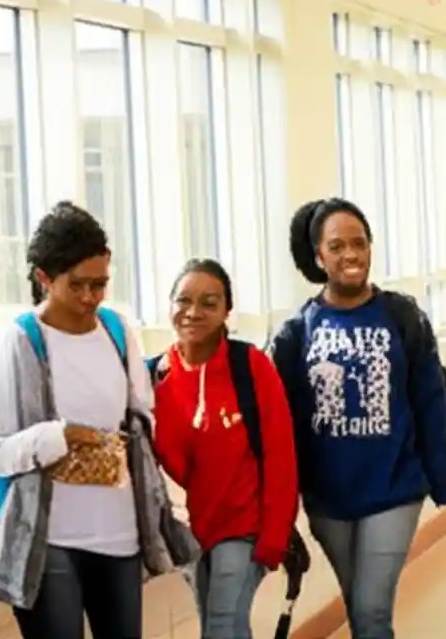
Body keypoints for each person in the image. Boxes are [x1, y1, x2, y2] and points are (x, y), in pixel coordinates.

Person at [0, 201, 178, 639]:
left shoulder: (117, 330)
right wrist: (57, 437)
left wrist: (132, 434)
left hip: (119, 535)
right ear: (44, 278)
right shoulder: (19, 343)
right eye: (77, 285)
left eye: (100, 285)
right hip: (49, 542)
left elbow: (143, 413)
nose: (90, 298)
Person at [268, 198, 446, 639]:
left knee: (373, 611)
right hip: (328, 497)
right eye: (336, 246)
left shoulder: (402, 316)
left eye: (359, 243)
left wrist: (439, 475)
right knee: (358, 609)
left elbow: (430, 397)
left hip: (395, 486)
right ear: (319, 256)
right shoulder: (297, 332)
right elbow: (285, 425)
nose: (350, 254)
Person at [151, 259, 299, 638]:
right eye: (183, 300)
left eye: (209, 303)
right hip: (190, 532)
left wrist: (274, 538)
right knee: (221, 628)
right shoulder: (154, 378)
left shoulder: (251, 367)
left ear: (226, 312)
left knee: (221, 626)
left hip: (245, 527)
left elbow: (281, 456)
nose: (193, 312)